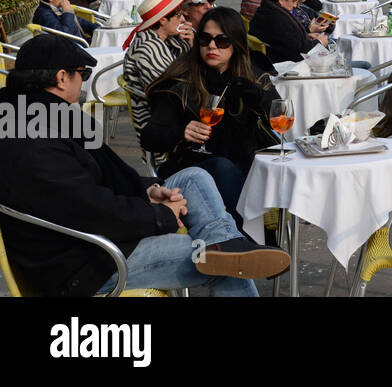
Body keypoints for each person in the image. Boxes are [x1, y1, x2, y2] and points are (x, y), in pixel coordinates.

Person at [0, 34, 290, 296]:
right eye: (82, 73)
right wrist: (159, 214)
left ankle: (227, 243)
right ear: (62, 78)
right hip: (87, 262)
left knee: (194, 178)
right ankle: (228, 247)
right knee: (222, 264)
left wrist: (148, 190)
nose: (83, 80)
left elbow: (96, 181)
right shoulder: (30, 136)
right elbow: (86, 207)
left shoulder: (34, 115)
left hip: (92, 238)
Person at [142, 7, 281, 218]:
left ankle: (261, 241)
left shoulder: (252, 75)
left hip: (247, 163)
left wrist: (256, 98)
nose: (212, 46)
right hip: (194, 165)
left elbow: (279, 118)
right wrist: (181, 130)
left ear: (235, 44)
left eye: (222, 40)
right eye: (205, 39)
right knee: (222, 167)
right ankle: (239, 240)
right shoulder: (182, 81)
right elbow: (150, 136)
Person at [122, 0, 196, 139]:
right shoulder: (148, 49)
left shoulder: (165, 40)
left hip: (170, 110)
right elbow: (169, 90)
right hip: (161, 123)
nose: (183, 19)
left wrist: (192, 44)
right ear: (162, 19)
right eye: (178, 14)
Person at [249, 0, 329, 64]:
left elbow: (287, 40)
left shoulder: (265, 10)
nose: (295, 6)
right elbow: (300, 53)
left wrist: (306, 34)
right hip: (284, 64)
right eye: (293, 1)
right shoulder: (278, 19)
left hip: (270, 59)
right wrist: (320, 42)